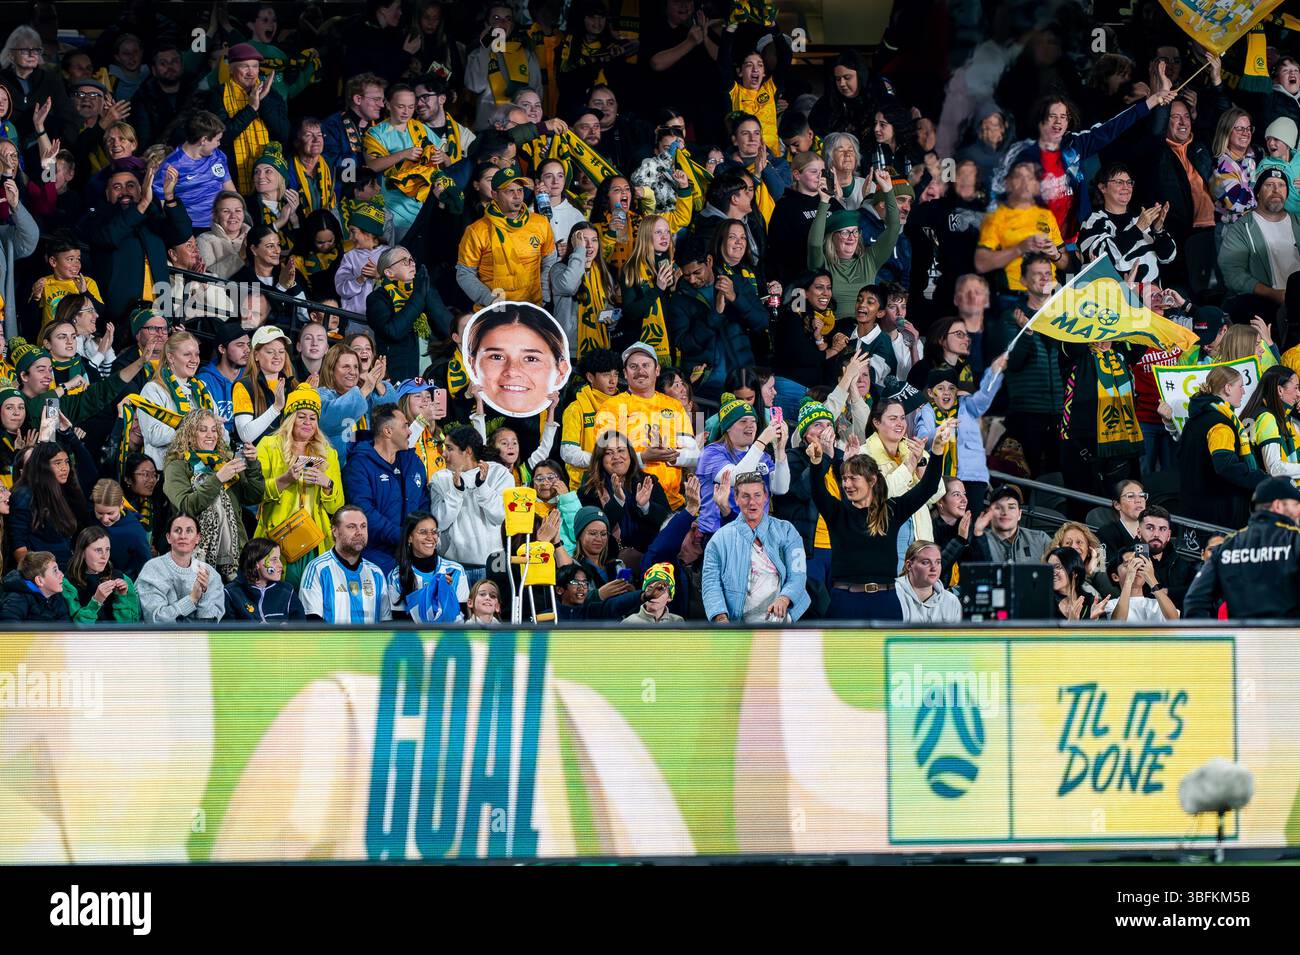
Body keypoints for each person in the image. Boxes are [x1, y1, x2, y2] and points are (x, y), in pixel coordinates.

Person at [809, 418, 955, 620]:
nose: (847, 484)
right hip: (845, 602)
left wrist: (938, 449)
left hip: (886, 601)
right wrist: (816, 464)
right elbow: (817, 492)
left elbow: (928, 487)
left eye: (853, 478)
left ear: (872, 480)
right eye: (844, 479)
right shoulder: (838, 513)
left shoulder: (891, 511)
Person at [81, 158, 193, 326]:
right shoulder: (98, 218)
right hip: (121, 316)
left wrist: (169, 197)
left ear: (141, 190)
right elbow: (110, 236)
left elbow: (181, 234)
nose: (124, 191)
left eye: (130, 185)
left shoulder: (152, 217)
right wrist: (143, 203)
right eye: (116, 187)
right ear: (107, 194)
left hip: (161, 311)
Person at [254, 386, 345, 586]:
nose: (308, 422)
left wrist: (327, 484)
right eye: (301, 416)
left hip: (315, 539)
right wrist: (285, 479)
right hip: (277, 536)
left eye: (313, 418)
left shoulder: (329, 453)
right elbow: (255, 493)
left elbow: (336, 507)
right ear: (290, 418)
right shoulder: (268, 445)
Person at [162, 410, 265, 583]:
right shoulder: (177, 466)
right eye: (203, 430)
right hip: (196, 556)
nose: (210, 435)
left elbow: (253, 497)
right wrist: (217, 479)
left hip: (235, 554)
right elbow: (186, 506)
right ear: (188, 434)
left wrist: (253, 465)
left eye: (214, 430)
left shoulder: (224, 461)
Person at [592, 343, 698, 510]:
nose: (640, 371)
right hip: (629, 501)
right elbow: (604, 460)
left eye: (646, 365)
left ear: (657, 370)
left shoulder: (674, 406)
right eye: (633, 367)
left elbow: (694, 455)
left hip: (673, 503)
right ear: (625, 374)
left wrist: (671, 456)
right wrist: (643, 458)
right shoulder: (610, 407)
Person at [669, 235, 770, 402]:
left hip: (743, 382)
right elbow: (684, 343)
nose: (692, 280)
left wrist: (735, 298)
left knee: (748, 427)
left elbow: (761, 322)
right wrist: (715, 314)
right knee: (704, 427)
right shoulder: (679, 299)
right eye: (687, 276)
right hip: (705, 387)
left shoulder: (736, 283)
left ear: (709, 261)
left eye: (696, 272)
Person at [1183, 477, 1300, 619]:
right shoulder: (1295, 540)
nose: (1299, 510)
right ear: (1278, 505)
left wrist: (1210, 639)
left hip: (1242, 639)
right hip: (1289, 638)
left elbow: (1195, 600)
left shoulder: (1227, 546)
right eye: (1296, 504)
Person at [342, 403, 431, 574]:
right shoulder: (359, 465)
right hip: (374, 562)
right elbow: (364, 512)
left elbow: (424, 503)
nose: (410, 431)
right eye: (405, 426)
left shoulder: (413, 462)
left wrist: (421, 535)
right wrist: (405, 536)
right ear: (388, 431)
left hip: (413, 559)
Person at [1177, 365, 1266, 530]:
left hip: (1192, 509)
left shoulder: (1194, 419)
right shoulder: (1220, 424)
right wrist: (1261, 480)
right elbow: (1226, 466)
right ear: (1227, 388)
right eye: (1240, 386)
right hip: (1218, 514)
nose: (1244, 392)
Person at [456, 166, 557, 309]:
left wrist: (545, 296)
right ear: (494, 194)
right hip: (493, 311)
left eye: (520, 190)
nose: (517, 196)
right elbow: (464, 273)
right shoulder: (476, 230)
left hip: (533, 308)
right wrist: (490, 300)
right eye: (510, 191)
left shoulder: (540, 222)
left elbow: (549, 260)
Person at [808, 168, 899, 321]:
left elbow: (894, 228)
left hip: (867, 334)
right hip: (835, 333)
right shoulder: (823, 265)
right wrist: (824, 201)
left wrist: (888, 191)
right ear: (832, 238)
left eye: (855, 232)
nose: (852, 237)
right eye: (845, 232)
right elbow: (814, 244)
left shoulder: (869, 260)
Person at [428, 426, 512, 584]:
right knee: (456, 609)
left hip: (494, 563)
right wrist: (456, 492)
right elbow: (439, 522)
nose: (443, 453)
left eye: (449, 448)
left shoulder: (500, 474)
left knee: (492, 608)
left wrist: (482, 487)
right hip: (453, 564)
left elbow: (500, 517)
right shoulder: (439, 478)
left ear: (467, 451)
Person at [1219, 165, 1300, 319]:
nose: (1276, 190)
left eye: (1281, 185)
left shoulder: (1298, 223)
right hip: (1268, 301)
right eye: (1269, 185)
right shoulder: (1241, 229)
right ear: (1257, 193)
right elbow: (1233, 274)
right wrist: (1272, 294)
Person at [463, 301, 570, 417]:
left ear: (561, 371)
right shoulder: (461, 409)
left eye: (531, 359)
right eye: (497, 357)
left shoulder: (569, 414)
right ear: (473, 364)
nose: (512, 371)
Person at [974, 159, 1067, 292]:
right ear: (1007, 184)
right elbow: (981, 264)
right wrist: (1019, 248)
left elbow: (1064, 264)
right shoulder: (996, 218)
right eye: (1018, 177)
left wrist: (1055, 254)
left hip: (1051, 292)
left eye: (1029, 178)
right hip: (1017, 295)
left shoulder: (1046, 215)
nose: (1025, 183)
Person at [1076, 164, 1176, 285]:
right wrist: (1138, 228)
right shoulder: (1093, 221)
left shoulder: (1140, 218)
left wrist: (1159, 230)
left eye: (1129, 182)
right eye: (1119, 182)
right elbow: (1101, 259)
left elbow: (1168, 258)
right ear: (1103, 187)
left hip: (1152, 297)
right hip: (1119, 299)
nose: (1126, 187)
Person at [211, 44, 287, 196]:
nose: (251, 72)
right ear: (231, 69)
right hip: (233, 179)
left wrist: (263, 100)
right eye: (245, 67)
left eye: (255, 66)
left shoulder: (272, 95)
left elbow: (284, 134)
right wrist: (251, 108)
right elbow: (222, 137)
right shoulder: (217, 95)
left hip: (268, 179)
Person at [366, 250, 452, 381]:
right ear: (389, 273)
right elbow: (393, 331)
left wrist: (426, 293)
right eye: (404, 261)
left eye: (412, 260)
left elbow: (448, 328)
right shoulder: (378, 298)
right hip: (399, 375)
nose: (412, 264)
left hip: (433, 374)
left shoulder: (424, 290)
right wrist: (418, 296)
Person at [137, 332, 216, 468]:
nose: (194, 360)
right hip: (166, 473)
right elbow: (153, 435)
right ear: (171, 357)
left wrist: (217, 430)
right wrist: (194, 429)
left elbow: (219, 433)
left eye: (197, 354)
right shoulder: (153, 389)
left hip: (202, 471)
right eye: (187, 354)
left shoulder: (202, 390)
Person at [299, 505, 390, 624]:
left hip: (370, 643)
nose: (359, 532)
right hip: (332, 642)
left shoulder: (376, 572)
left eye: (363, 526)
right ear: (335, 531)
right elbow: (311, 621)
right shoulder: (318, 568)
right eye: (351, 527)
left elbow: (386, 623)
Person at [9, 441, 88, 568]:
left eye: (66, 462)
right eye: (58, 463)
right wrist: (41, 575)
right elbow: (18, 546)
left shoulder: (62, 489)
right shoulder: (24, 495)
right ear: (42, 465)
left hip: (64, 569)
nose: (64, 468)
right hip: (41, 576)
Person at [135, 513, 226, 622]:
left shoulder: (210, 574)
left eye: (189, 531)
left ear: (198, 538)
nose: (183, 536)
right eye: (177, 530)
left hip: (198, 638)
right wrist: (192, 599)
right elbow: (155, 619)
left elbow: (209, 624)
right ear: (168, 537)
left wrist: (204, 595)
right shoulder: (152, 569)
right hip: (160, 638)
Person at [155, 110, 235, 231]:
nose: (219, 144)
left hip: (222, 225)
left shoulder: (218, 156)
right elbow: (160, 202)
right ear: (203, 140)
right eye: (217, 140)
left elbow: (229, 188)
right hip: (191, 229)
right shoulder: (172, 165)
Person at [385, 511, 465, 623]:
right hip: (414, 639)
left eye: (434, 532)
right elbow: (401, 623)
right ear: (409, 538)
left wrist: (445, 591)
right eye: (423, 532)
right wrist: (431, 590)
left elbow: (462, 617)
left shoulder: (456, 571)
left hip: (450, 638)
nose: (430, 537)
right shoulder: (396, 576)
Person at [61, 526, 141, 623]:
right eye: (98, 550)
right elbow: (75, 628)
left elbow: (132, 625)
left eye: (107, 549)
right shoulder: (67, 583)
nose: (104, 556)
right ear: (82, 552)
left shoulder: (122, 578)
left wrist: (122, 598)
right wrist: (96, 601)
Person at [232, 325, 296, 446]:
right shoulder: (243, 386)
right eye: (270, 352)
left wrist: (309, 395)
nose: (277, 356)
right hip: (255, 460)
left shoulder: (293, 385)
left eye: (281, 351)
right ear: (256, 355)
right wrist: (276, 408)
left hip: (285, 458)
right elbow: (246, 435)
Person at [223, 538, 306, 623]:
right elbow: (226, 634)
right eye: (274, 560)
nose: (280, 565)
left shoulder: (287, 591)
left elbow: (303, 630)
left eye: (279, 559)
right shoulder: (231, 593)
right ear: (256, 564)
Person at [1243, 365, 1300, 477]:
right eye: (1296, 388)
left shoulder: (1283, 415)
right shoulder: (1266, 418)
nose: (1299, 394)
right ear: (1280, 390)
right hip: (1277, 491)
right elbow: (1274, 468)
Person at [971, 485, 1051, 564]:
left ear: (1019, 514)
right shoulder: (980, 540)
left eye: (1011, 507)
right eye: (998, 507)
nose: (1005, 512)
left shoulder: (1040, 539)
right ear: (989, 512)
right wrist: (978, 535)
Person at [90, 478, 151, 580]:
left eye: (110, 513)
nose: (105, 519)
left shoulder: (135, 532)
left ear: (121, 504)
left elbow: (146, 567)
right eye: (100, 513)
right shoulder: (90, 518)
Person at [1107, 545, 1180, 622]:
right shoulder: (1111, 604)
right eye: (1128, 564)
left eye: (1139, 563)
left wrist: (1152, 579)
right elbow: (1117, 625)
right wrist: (1128, 580)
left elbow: (1174, 620)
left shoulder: (1158, 603)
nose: (1136, 568)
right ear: (1115, 577)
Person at [896, 540, 962, 623]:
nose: (934, 568)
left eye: (938, 562)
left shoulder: (951, 601)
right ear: (909, 565)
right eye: (926, 562)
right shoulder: (895, 596)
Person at [0, 550, 71, 622]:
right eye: (55, 571)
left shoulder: (58, 598)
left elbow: (66, 628)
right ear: (39, 581)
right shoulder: (17, 599)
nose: (62, 575)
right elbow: (9, 629)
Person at [1046, 545, 1111, 620]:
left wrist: (1093, 621)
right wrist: (1071, 626)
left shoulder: (1091, 602)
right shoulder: (1044, 603)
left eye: (1058, 567)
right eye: (1049, 567)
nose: (1052, 572)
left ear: (1074, 572)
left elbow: (1104, 630)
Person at [197, 193, 252, 280]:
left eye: (238, 211)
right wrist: (239, 256)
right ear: (215, 215)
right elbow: (207, 277)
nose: (233, 216)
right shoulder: (205, 240)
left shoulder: (254, 236)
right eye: (226, 211)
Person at [1096, 478, 1147, 556]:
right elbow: (1102, 566)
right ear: (1117, 505)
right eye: (1130, 496)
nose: (1138, 500)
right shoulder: (1105, 534)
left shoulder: (1154, 531)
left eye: (1142, 495)